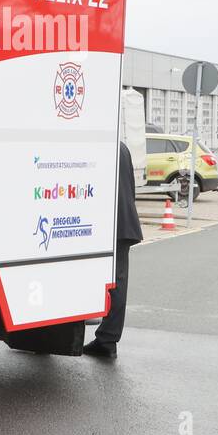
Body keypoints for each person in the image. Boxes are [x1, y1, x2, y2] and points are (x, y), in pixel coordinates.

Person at [85, 141, 144, 358]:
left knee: (115, 284)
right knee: (116, 282)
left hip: (111, 225)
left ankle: (107, 340)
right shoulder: (121, 145)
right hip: (124, 221)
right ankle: (107, 339)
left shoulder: (100, 144)